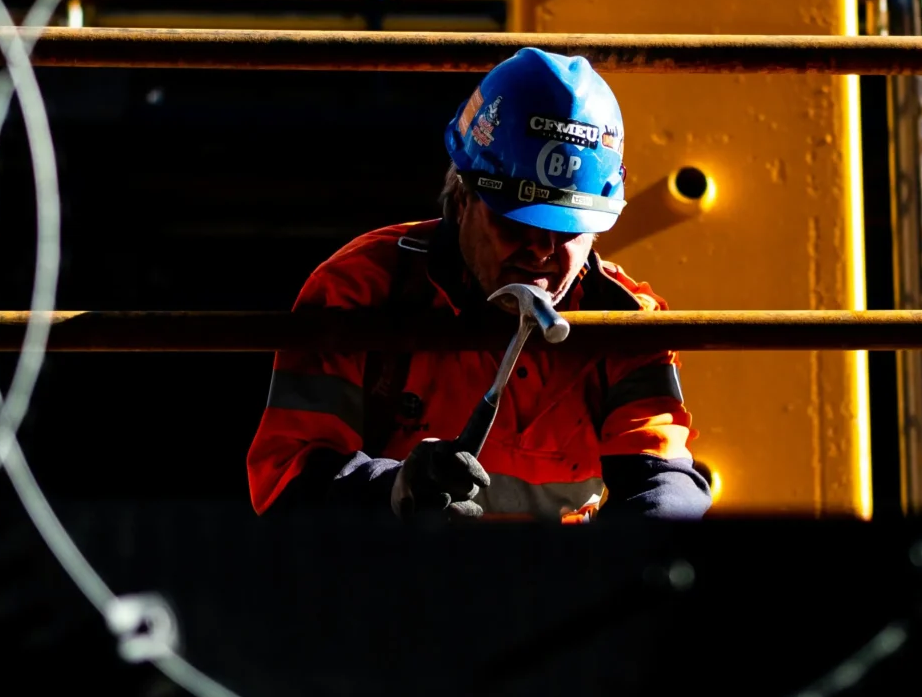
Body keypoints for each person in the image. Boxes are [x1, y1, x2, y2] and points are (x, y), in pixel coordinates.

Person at [246, 48, 712, 521]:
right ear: (463, 197)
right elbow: (286, 481)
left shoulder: (626, 321)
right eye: (517, 222)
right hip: (395, 562)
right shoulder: (360, 289)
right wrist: (394, 489)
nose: (542, 249)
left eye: (568, 229)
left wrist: (627, 553)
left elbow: (664, 483)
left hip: (567, 568)